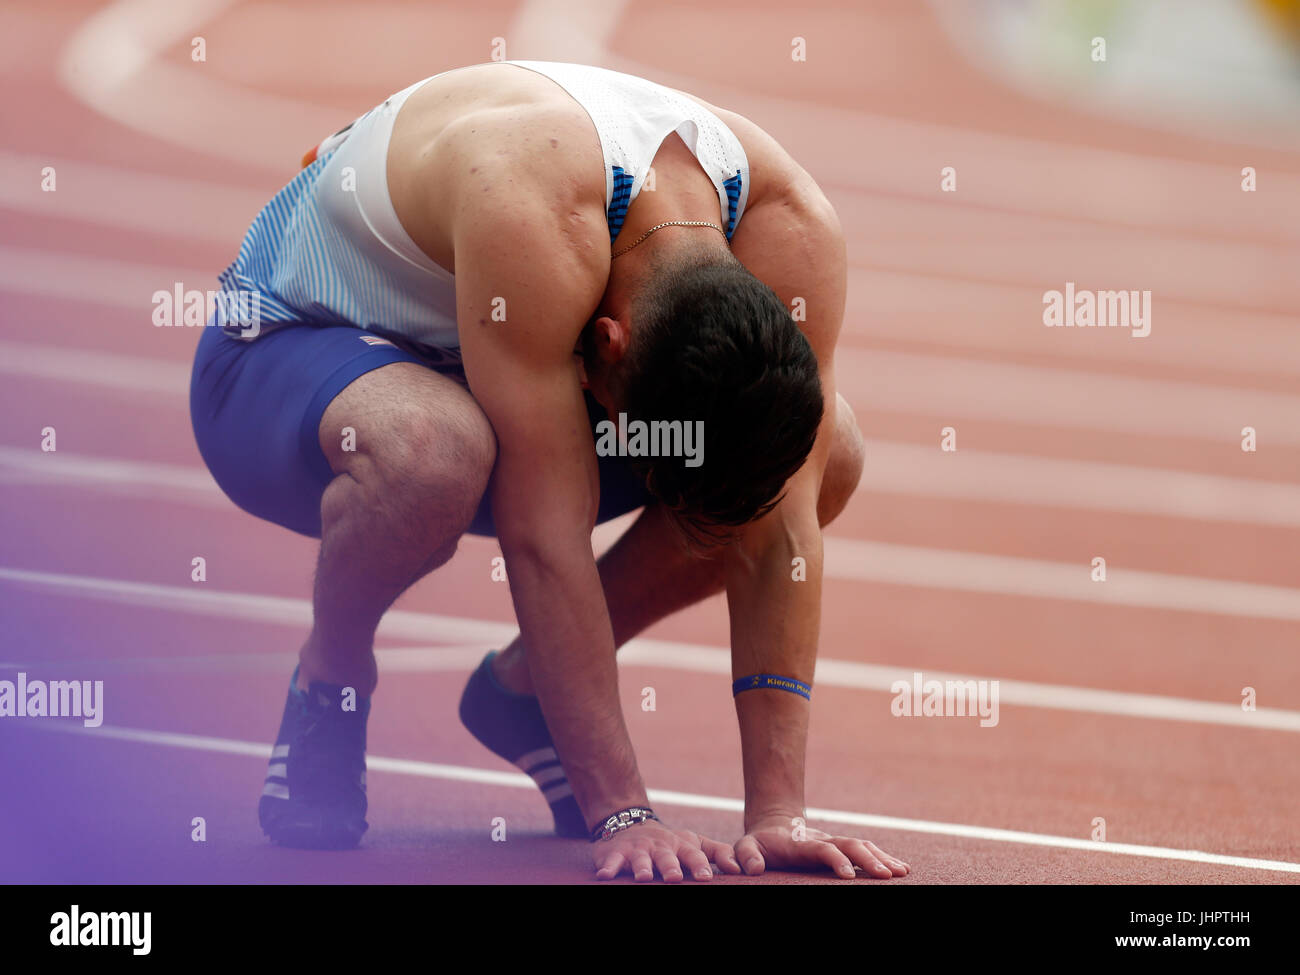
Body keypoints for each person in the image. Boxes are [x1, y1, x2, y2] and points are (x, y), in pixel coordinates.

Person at [189, 59, 908, 882]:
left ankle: (523, 690)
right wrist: (625, 811)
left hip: (490, 360)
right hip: (281, 356)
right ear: (604, 347)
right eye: (651, 443)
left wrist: (778, 812)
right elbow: (543, 536)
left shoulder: (794, 232)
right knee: (437, 451)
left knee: (826, 450)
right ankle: (333, 675)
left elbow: (783, 509)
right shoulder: (531, 214)